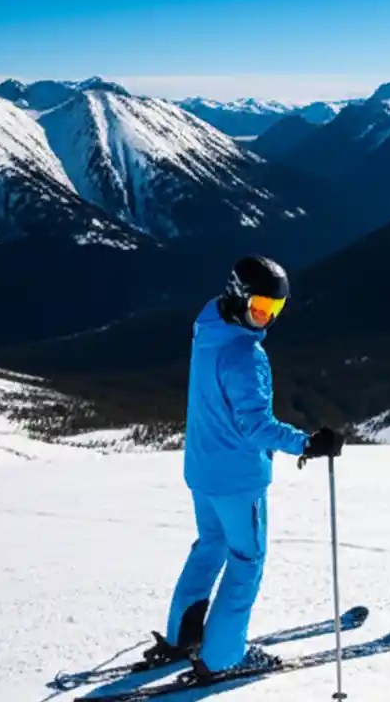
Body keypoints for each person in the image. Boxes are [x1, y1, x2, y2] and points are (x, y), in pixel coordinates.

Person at [142, 255, 344, 680]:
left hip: (202, 470)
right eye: (259, 309)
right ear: (237, 298)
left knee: (210, 546)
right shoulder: (245, 355)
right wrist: (306, 443)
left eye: (274, 311)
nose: (266, 320)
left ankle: (185, 635)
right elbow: (255, 426)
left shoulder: (208, 325)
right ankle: (223, 657)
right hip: (238, 480)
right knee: (246, 559)